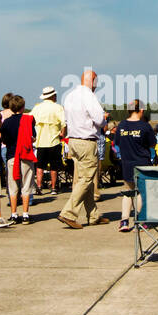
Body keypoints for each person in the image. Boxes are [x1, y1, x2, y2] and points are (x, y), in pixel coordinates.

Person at [59, 69, 108, 228]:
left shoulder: (70, 95)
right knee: (87, 179)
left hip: (73, 141)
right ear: (93, 81)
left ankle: (93, 215)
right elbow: (99, 119)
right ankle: (68, 212)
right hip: (87, 141)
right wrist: (105, 117)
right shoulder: (89, 96)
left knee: (85, 180)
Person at [115, 99, 158, 233]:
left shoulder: (121, 125)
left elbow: (117, 143)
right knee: (140, 192)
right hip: (142, 163)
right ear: (141, 110)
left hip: (127, 162)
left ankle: (124, 220)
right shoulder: (145, 126)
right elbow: (152, 144)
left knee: (128, 192)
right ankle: (140, 221)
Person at [1, 95, 37, 224]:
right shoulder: (28, 120)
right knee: (26, 185)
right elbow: (33, 137)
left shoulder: (6, 122)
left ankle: (14, 213)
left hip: (12, 156)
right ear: (23, 107)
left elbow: (4, 140)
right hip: (26, 155)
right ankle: (26, 214)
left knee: (13, 186)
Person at [32, 87, 67, 196]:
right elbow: (64, 123)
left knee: (40, 166)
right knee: (54, 166)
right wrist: (63, 133)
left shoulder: (37, 108)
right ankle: (53, 188)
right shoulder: (58, 107)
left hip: (40, 141)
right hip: (54, 141)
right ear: (52, 96)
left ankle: (39, 186)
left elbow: (30, 119)